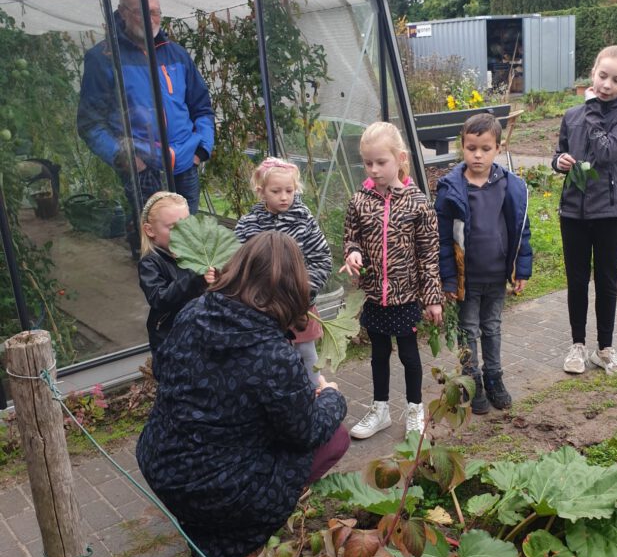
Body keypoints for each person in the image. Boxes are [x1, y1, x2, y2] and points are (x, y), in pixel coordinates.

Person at [136, 232, 350, 557]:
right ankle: (243, 536)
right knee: (335, 437)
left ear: (238, 268)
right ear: (292, 288)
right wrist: (331, 397)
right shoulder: (272, 353)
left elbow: (162, 369)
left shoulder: (193, 311)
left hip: (161, 464)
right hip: (217, 488)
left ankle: (219, 517)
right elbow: (306, 432)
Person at [77, 0, 215, 255]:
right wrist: (126, 158)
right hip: (143, 168)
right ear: (123, 12)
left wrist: (200, 151)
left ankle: (188, 279)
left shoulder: (176, 54)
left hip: (185, 164)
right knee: (154, 246)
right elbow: (90, 124)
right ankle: (153, 279)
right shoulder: (104, 58)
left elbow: (202, 108)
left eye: (155, 12)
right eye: (142, 12)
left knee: (188, 238)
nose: (152, 19)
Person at [342, 121, 443, 439]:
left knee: (410, 355)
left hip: (406, 296)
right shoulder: (359, 201)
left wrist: (433, 298)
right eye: (367, 163)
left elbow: (429, 255)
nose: (373, 170)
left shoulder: (418, 203)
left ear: (400, 159)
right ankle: (380, 409)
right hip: (374, 295)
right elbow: (351, 237)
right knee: (378, 354)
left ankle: (415, 409)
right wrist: (353, 253)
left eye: (380, 162)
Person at [552, 44, 617, 377]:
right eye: (603, 76)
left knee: (606, 281)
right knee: (576, 281)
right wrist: (559, 162)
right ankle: (577, 345)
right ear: (593, 72)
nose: (606, 85)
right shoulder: (572, 115)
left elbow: (605, 152)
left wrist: (591, 108)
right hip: (574, 212)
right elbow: (560, 152)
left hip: (609, 212)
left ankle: (604, 349)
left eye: (616, 80)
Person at [435, 112, 532, 414]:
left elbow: (521, 229)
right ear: (462, 147)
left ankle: (494, 377)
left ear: (498, 149)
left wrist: (521, 269)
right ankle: (471, 381)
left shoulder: (509, 185)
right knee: (468, 329)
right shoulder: (452, 188)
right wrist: (448, 279)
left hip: (497, 275)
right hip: (467, 278)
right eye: (471, 148)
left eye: (485, 149)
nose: (478, 155)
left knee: (492, 327)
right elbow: (443, 240)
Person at [235, 156, 331, 383]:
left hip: (299, 305)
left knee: (306, 352)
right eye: (276, 191)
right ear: (261, 191)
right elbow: (238, 265)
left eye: (289, 190)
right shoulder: (249, 224)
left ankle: (314, 392)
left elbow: (322, 259)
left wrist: (303, 288)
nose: (284, 197)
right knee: (270, 356)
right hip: (263, 308)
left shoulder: (304, 220)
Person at [137, 191, 215, 354]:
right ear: (150, 230)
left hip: (200, 332)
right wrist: (194, 274)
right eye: (173, 228)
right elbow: (159, 299)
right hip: (171, 341)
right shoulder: (150, 263)